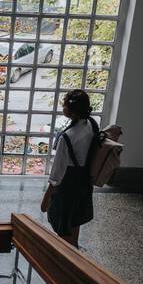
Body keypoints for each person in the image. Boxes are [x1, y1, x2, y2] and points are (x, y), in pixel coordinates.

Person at [41, 89, 98, 247]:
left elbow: (57, 173)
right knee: (75, 220)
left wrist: (46, 198)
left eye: (65, 104)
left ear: (71, 111)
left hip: (68, 185)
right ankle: (74, 247)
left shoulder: (67, 137)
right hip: (83, 181)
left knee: (63, 222)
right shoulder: (91, 125)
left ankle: (67, 257)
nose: (62, 106)